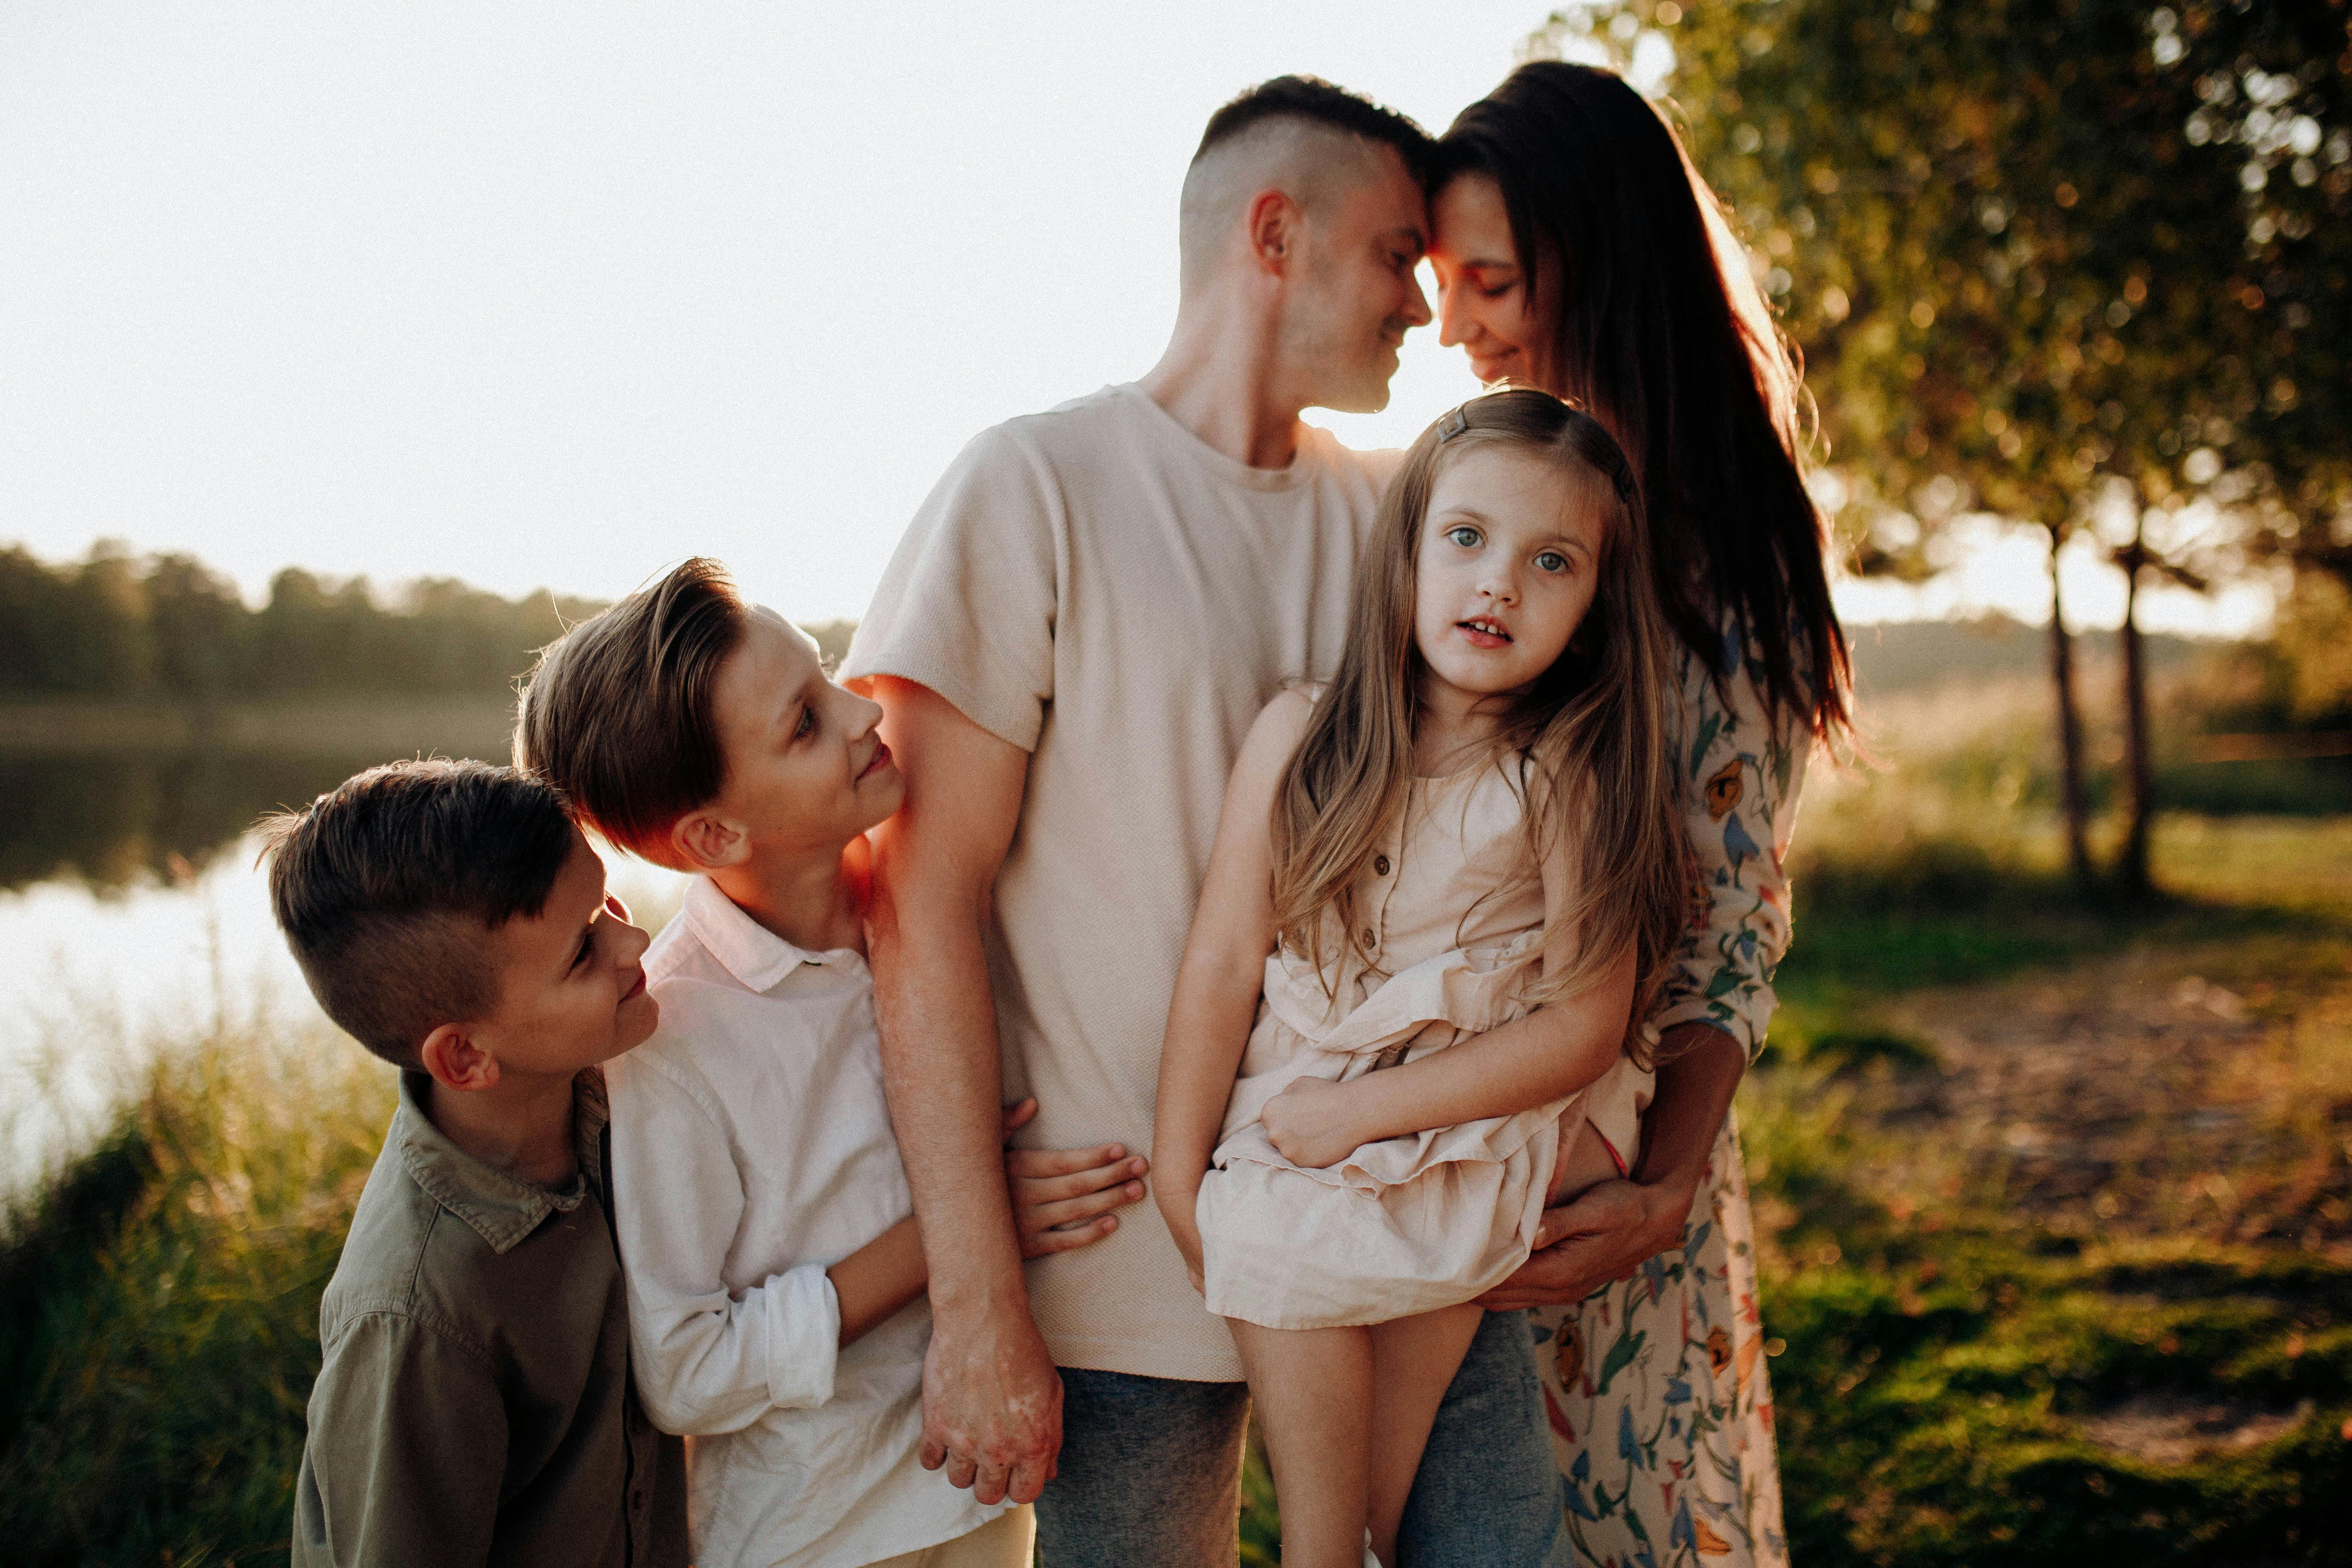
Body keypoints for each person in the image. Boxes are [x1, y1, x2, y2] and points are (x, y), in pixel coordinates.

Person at [840, 73, 1588, 1568]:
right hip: (1120, 1254)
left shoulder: (1407, 520)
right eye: (1397, 256)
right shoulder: (1031, 484)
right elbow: (916, 897)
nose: (1422, 305)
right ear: (1275, 235)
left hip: (1403, 1212)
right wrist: (976, 1293)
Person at [1421, 60, 1856, 1566]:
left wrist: (1663, 1189)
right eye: (1443, 280)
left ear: (1595, 263)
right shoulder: (1477, 522)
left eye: (1489, 281)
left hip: (1612, 1193)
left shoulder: (1712, 554)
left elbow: (1734, 922)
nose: (1453, 326)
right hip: (1433, 1170)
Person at [514, 559, 1149, 1568]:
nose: (864, 711)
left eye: (825, 673)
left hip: (979, 1490)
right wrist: (963, 1223)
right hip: (815, 1532)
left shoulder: (937, 916)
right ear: (714, 833)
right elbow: (683, 1369)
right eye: (805, 723)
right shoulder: (672, 1037)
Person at [1154, 391, 1688, 1568]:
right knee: (1275, 1238)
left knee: (1369, 1508)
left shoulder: (1561, 773)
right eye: (1466, 538)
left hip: (1469, 1124)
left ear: (1594, 610)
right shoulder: (1301, 733)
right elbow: (1223, 958)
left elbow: (1582, 1026)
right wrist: (1174, 1172)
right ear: (1403, 552)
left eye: (1552, 562)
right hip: (1303, 1107)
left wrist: (1358, 1115)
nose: (1499, 584)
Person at [262, 758, 687, 1568]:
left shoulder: (617, 1095)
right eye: (582, 951)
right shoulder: (418, 1320)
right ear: (464, 1058)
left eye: (607, 903)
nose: (633, 942)